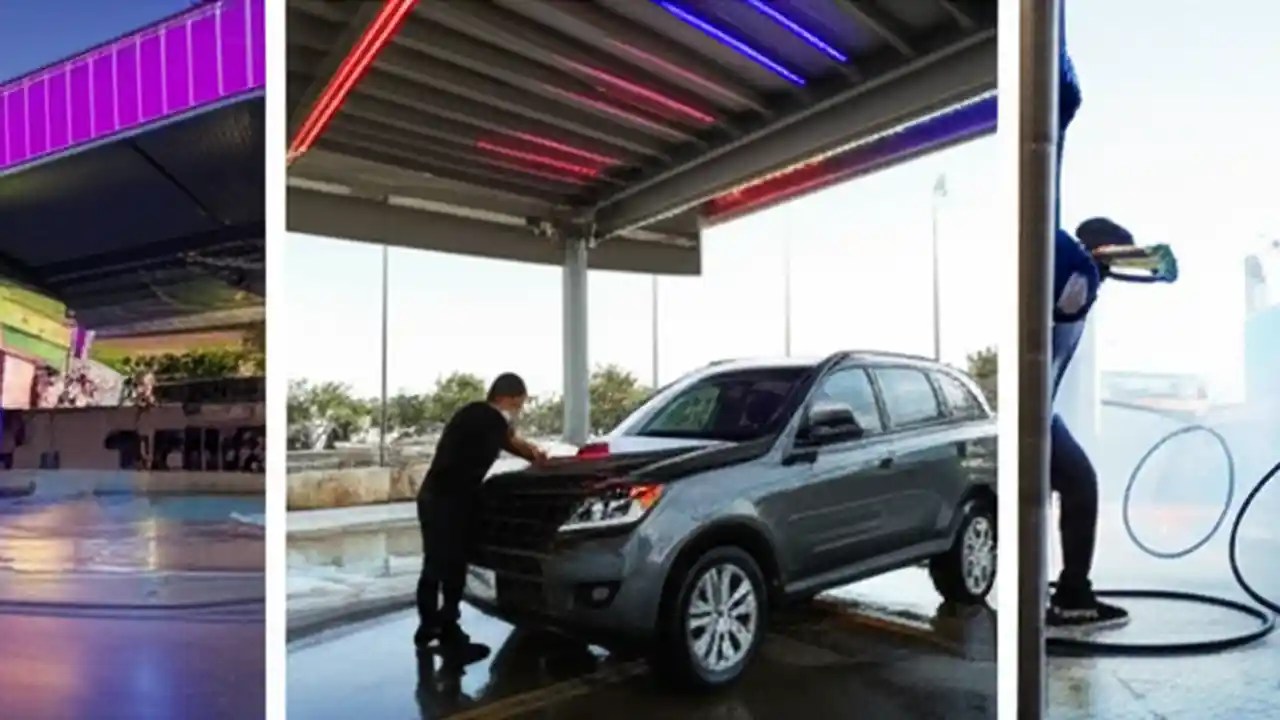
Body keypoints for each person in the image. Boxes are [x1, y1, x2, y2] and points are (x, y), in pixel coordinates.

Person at [1047, 5, 1133, 631]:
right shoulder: (1073, 265)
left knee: (1079, 483)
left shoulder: (1072, 264)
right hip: (1029, 415)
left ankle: (1069, 590)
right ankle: (1070, 596)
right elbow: (1068, 292)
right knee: (1079, 485)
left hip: (1036, 411)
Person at [414, 373, 548, 656]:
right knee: (452, 567)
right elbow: (511, 440)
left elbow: (509, 442)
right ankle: (448, 632)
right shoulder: (491, 419)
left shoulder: (471, 413)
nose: (518, 412)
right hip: (451, 500)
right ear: (507, 398)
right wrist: (537, 456)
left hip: (432, 496)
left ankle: (428, 628)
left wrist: (531, 453)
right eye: (519, 405)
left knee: (434, 564)